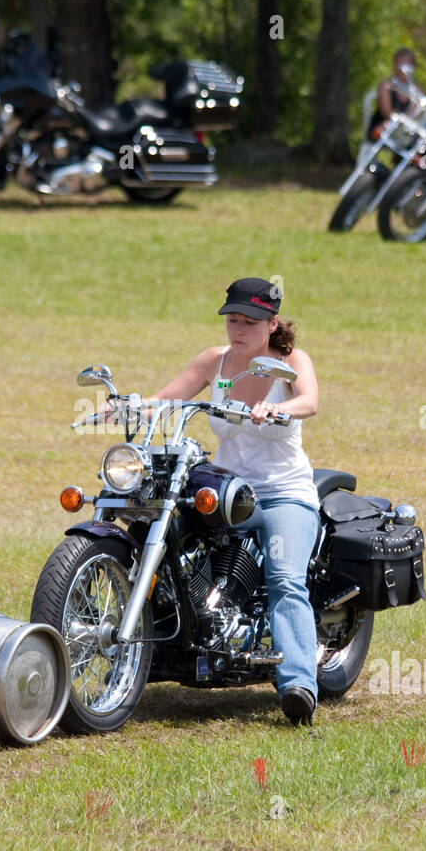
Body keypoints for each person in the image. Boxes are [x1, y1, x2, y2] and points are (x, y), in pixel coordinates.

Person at [144, 278, 322, 726]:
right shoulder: (216, 361)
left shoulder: (289, 361)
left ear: (272, 323)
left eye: (250, 321)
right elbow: (168, 398)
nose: (238, 329)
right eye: (233, 319)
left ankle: (299, 684)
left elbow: (310, 400)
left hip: (284, 492)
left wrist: (281, 409)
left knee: (284, 578)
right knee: (172, 543)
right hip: (228, 489)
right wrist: (127, 406)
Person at [368, 47, 423, 141]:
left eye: (406, 64)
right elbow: (387, 113)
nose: (402, 68)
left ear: (413, 67)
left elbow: (414, 116)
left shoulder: (417, 91)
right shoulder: (386, 86)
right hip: (382, 129)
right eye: (399, 63)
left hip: (405, 132)